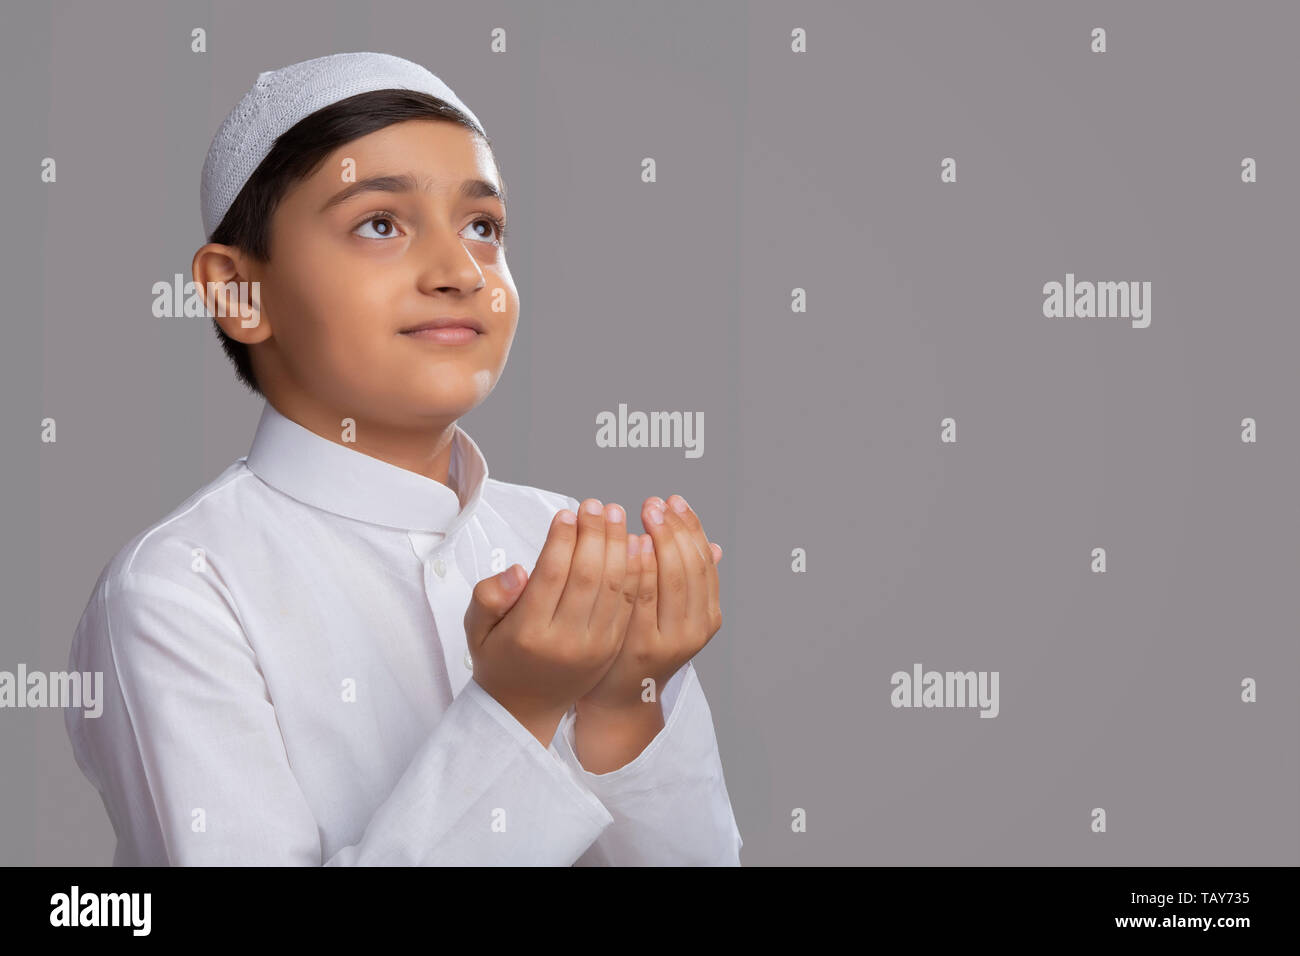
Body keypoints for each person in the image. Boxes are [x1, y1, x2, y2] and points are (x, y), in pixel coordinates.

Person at [64, 51, 742, 865]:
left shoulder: (567, 550)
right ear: (239, 291)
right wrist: (516, 709)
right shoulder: (179, 589)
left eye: (482, 227)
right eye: (379, 224)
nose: (460, 272)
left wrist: (624, 708)